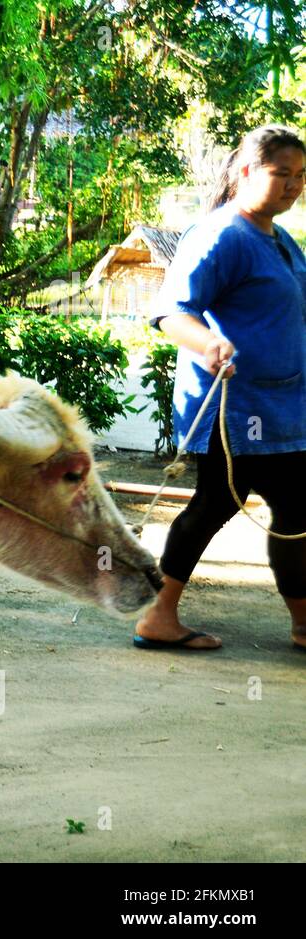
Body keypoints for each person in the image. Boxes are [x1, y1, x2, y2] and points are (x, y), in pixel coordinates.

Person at [135, 124, 306, 652]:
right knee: (219, 505)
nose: (293, 186)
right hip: (236, 410)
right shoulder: (221, 235)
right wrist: (209, 344)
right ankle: (157, 615)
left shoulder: (282, 240)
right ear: (248, 171)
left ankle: (302, 623)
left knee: (294, 510)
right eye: (283, 174)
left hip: (283, 408)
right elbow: (170, 312)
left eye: (301, 176)